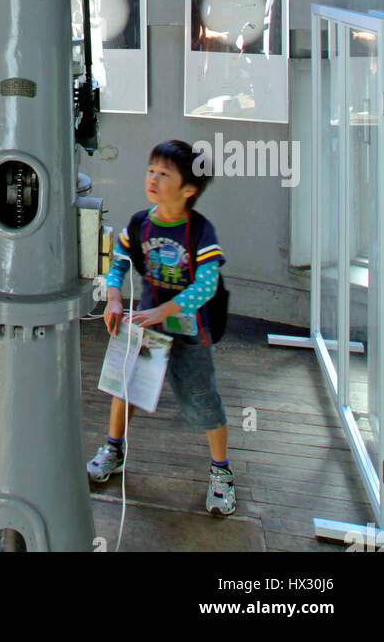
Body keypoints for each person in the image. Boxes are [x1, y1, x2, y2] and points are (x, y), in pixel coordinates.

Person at [87, 140, 235, 516]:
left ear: (189, 189)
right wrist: (115, 297)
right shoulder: (140, 223)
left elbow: (206, 285)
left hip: (189, 331)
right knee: (127, 387)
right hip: (147, 323)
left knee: (202, 399)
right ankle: (113, 450)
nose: (153, 177)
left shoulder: (201, 231)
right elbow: (118, 260)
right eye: (151, 169)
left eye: (164, 173)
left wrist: (164, 310)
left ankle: (221, 473)